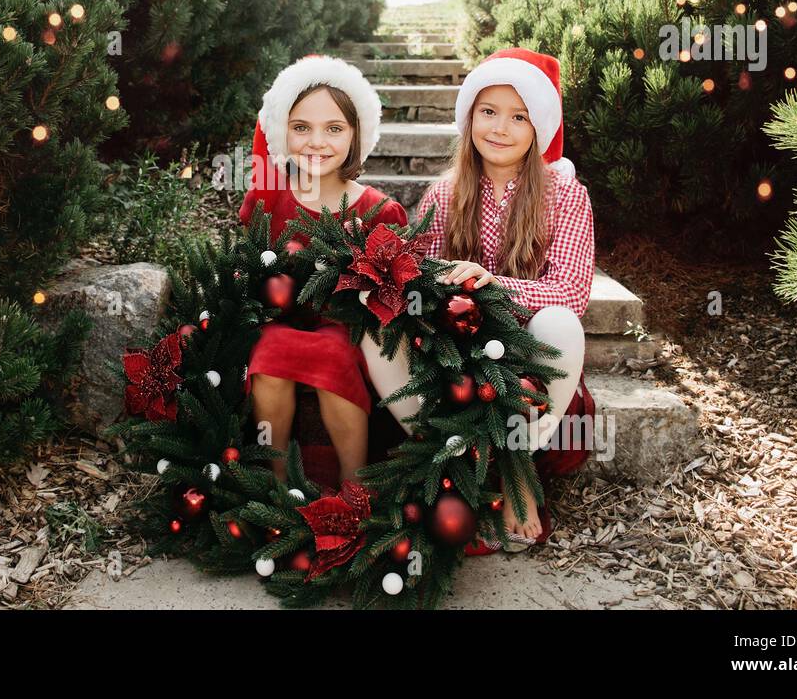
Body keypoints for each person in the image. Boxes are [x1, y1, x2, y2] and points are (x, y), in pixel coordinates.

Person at [416, 46, 596, 552]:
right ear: (469, 116)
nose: (500, 128)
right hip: (461, 346)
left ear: (538, 127)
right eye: (488, 112)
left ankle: (520, 465)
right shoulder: (443, 194)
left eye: (518, 117)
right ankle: (457, 464)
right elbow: (420, 278)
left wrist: (494, 285)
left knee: (560, 324)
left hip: (527, 347)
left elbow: (573, 292)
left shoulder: (564, 194)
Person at [239, 54, 408, 488]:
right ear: (283, 132)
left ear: (356, 135)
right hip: (283, 319)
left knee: (333, 356)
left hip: (348, 326)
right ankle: (276, 485)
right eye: (301, 128)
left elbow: (391, 292)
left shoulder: (377, 209)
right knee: (269, 355)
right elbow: (251, 265)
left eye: (334, 129)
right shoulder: (273, 201)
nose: (317, 141)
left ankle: (354, 485)